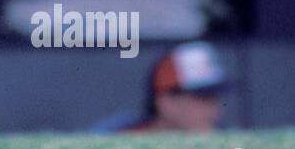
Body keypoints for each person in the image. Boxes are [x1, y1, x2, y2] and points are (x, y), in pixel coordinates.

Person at [90, 42, 230, 134]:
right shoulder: (117, 136)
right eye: (202, 97)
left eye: (215, 96)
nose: (213, 108)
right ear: (166, 102)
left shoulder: (226, 140)